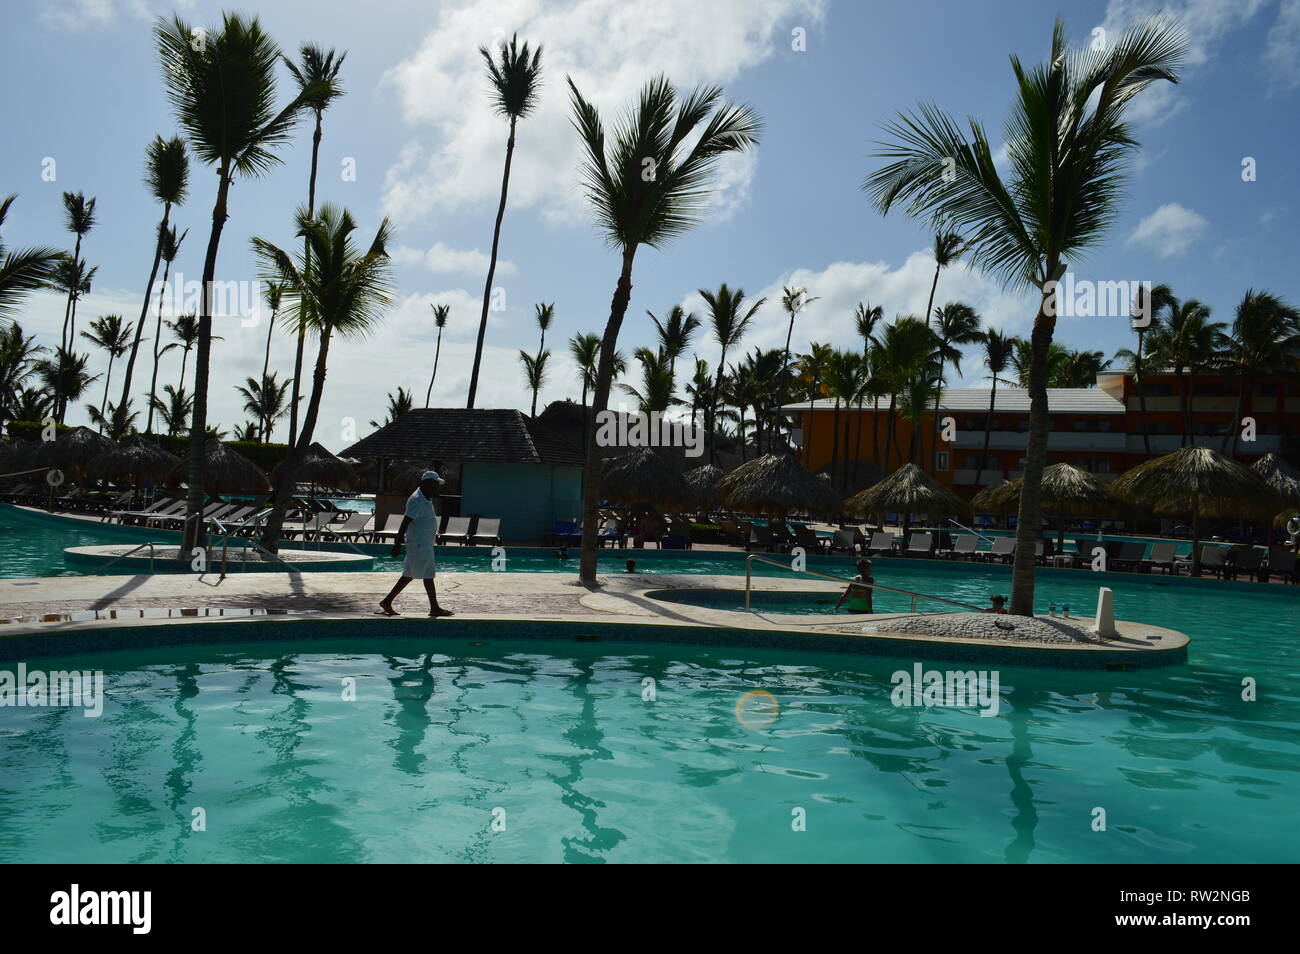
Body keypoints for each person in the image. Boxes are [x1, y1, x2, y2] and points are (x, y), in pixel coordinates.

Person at [378, 471, 453, 618]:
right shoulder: (417, 500)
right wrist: (397, 544)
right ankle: (434, 608)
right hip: (419, 545)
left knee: (408, 575)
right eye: (435, 485)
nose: (437, 488)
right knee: (428, 575)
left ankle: (387, 601)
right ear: (427, 484)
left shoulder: (425, 498)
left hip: (421, 544)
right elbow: (405, 522)